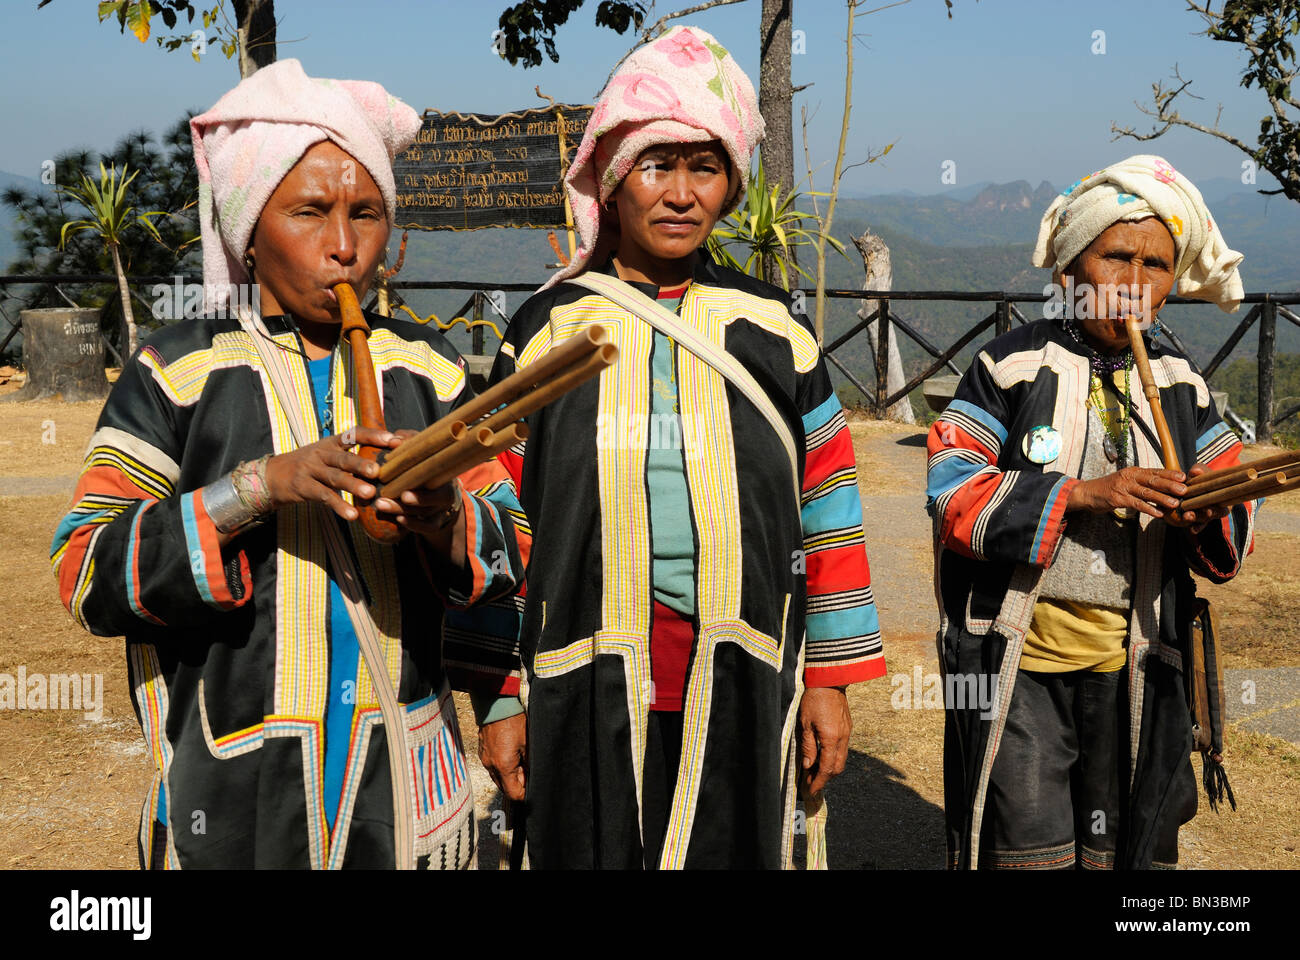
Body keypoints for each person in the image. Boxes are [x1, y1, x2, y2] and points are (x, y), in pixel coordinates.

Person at [50, 60, 527, 869]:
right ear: (247, 224)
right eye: (310, 212)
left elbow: (511, 548)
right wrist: (260, 488)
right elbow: (84, 571)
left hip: (402, 786)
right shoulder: (176, 372)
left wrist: (444, 518)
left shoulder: (430, 371)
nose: (344, 247)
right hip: (236, 785)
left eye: (366, 214)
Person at [482, 26, 886, 869]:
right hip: (580, 671)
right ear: (612, 176)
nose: (679, 193)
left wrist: (830, 681)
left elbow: (831, 509)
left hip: (744, 670)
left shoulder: (775, 331)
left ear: (730, 186)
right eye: (655, 165)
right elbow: (500, 522)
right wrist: (503, 696)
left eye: (703, 168)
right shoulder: (547, 331)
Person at [927, 154, 1256, 869]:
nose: (1136, 284)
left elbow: (1234, 516)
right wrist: (1080, 495)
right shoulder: (1008, 368)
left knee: (1120, 852)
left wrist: (1206, 511)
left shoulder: (1183, 385)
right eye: (1117, 257)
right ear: (1070, 269)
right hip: (1019, 665)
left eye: (1157, 265)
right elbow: (950, 492)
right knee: (1027, 849)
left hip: (1137, 663)